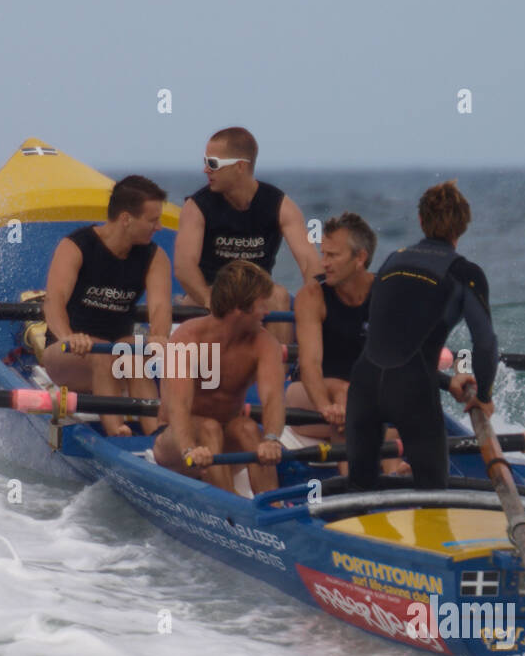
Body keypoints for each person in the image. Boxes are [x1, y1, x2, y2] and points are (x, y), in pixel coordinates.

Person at [345, 180, 496, 491]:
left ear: (420, 221)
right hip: (413, 391)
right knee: (434, 495)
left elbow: (379, 334)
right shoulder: (465, 273)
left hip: (363, 386)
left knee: (360, 491)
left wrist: (444, 382)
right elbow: (484, 343)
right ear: (463, 225)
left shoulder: (391, 261)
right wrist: (484, 398)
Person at [42, 175, 173, 436]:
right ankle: (117, 433)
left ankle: (158, 436)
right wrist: (68, 337)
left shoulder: (155, 256)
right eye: (152, 220)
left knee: (133, 353)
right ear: (126, 218)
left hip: (117, 348)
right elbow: (54, 301)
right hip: (69, 351)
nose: (159, 227)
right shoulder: (76, 246)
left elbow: (160, 307)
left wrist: (159, 336)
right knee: (104, 356)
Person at [285, 212, 407, 475]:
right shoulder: (312, 296)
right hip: (307, 399)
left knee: (384, 415)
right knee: (345, 397)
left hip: (363, 397)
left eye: (332, 256)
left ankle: (397, 484)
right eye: (323, 254)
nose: (323, 263)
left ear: (360, 258)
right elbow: (309, 365)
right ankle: (353, 492)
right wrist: (326, 407)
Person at [174, 126, 321, 342]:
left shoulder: (280, 205)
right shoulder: (196, 207)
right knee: (189, 303)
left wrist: (314, 302)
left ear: (240, 166)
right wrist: (210, 300)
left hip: (257, 293)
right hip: (210, 293)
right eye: (205, 162)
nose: (206, 170)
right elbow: (184, 267)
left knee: (278, 296)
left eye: (213, 164)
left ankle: (278, 371)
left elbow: (310, 263)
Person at [152, 260, 286, 495]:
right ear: (239, 308)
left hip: (224, 445)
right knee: (209, 427)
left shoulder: (265, 344)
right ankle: (230, 512)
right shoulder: (188, 338)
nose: (268, 312)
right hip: (177, 443)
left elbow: (274, 399)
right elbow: (179, 406)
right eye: (261, 305)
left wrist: (272, 439)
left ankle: (273, 505)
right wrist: (188, 450)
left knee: (247, 427)